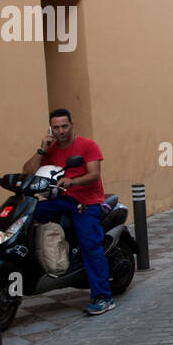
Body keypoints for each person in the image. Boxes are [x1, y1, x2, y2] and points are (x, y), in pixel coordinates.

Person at [23, 109, 114, 315]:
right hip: (59, 199)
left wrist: (73, 181)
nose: (61, 131)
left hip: (85, 200)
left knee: (90, 245)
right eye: (56, 127)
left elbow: (93, 175)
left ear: (72, 125)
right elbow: (28, 172)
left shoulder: (87, 145)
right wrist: (41, 150)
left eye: (64, 126)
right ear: (50, 129)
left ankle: (103, 297)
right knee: (28, 213)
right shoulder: (51, 149)